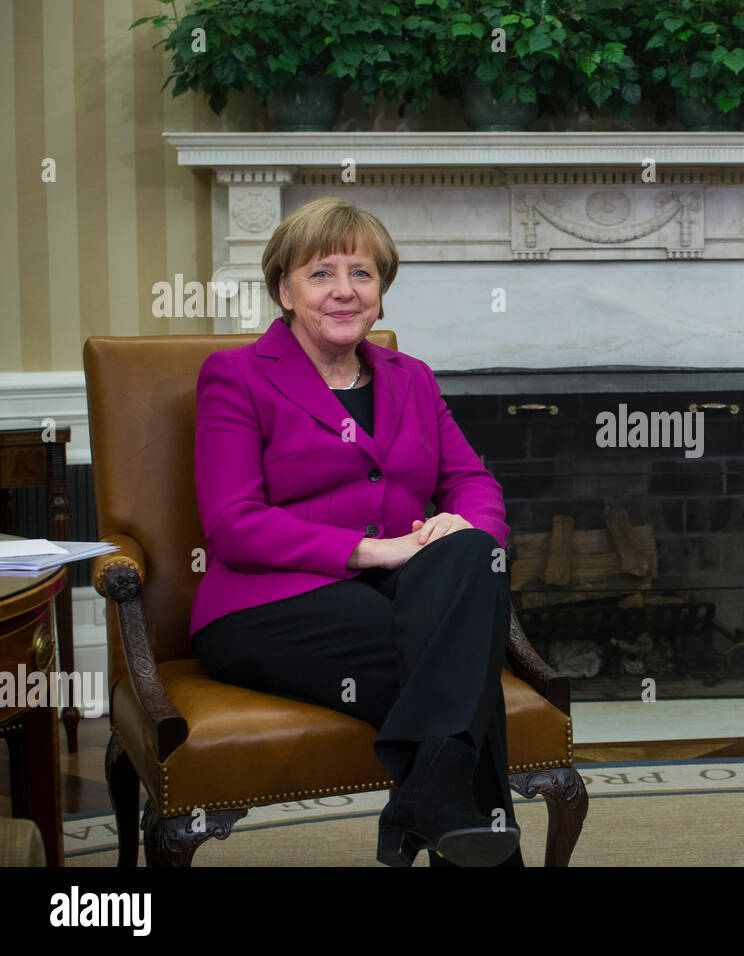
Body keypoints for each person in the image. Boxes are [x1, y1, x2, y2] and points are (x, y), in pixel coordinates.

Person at [190, 196, 520, 867]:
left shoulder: (413, 379)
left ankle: (427, 797)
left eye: (362, 274)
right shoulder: (237, 376)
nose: (344, 290)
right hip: (268, 604)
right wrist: (375, 549)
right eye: (321, 274)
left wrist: (461, 525)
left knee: (471, 550)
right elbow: (231, 524)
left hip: (400, 594)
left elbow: (474, 483)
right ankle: (442, 807)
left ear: (382, 290)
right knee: (464, 670)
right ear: (284, 290)